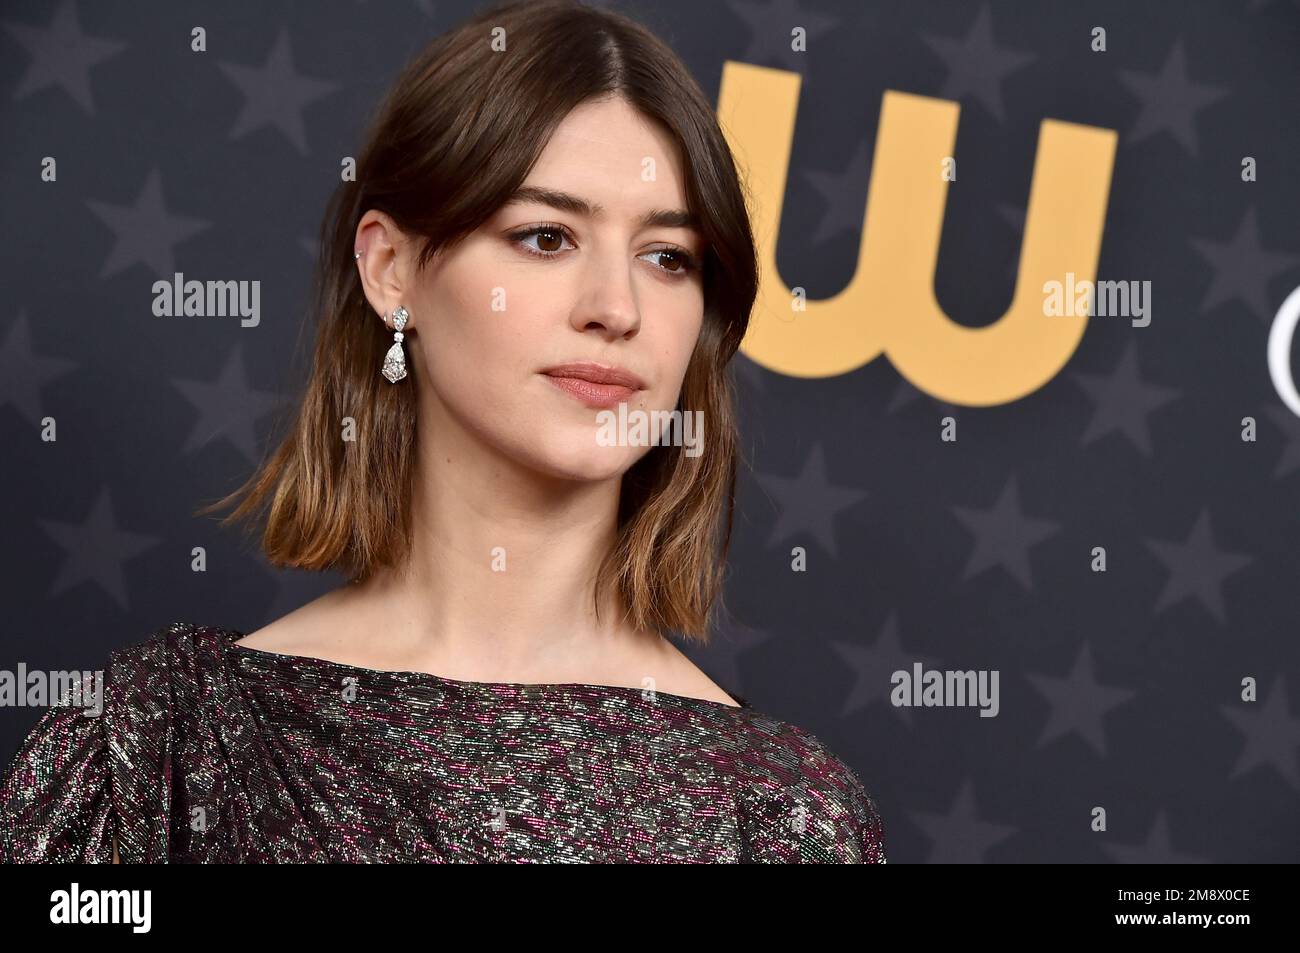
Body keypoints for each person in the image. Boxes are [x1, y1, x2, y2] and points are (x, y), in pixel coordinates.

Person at [0, 0, 886, 863]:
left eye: (668, 257)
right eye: (546, 237)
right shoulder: (164, 756)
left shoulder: (786, 817)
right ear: (391, 269)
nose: (617, 308)